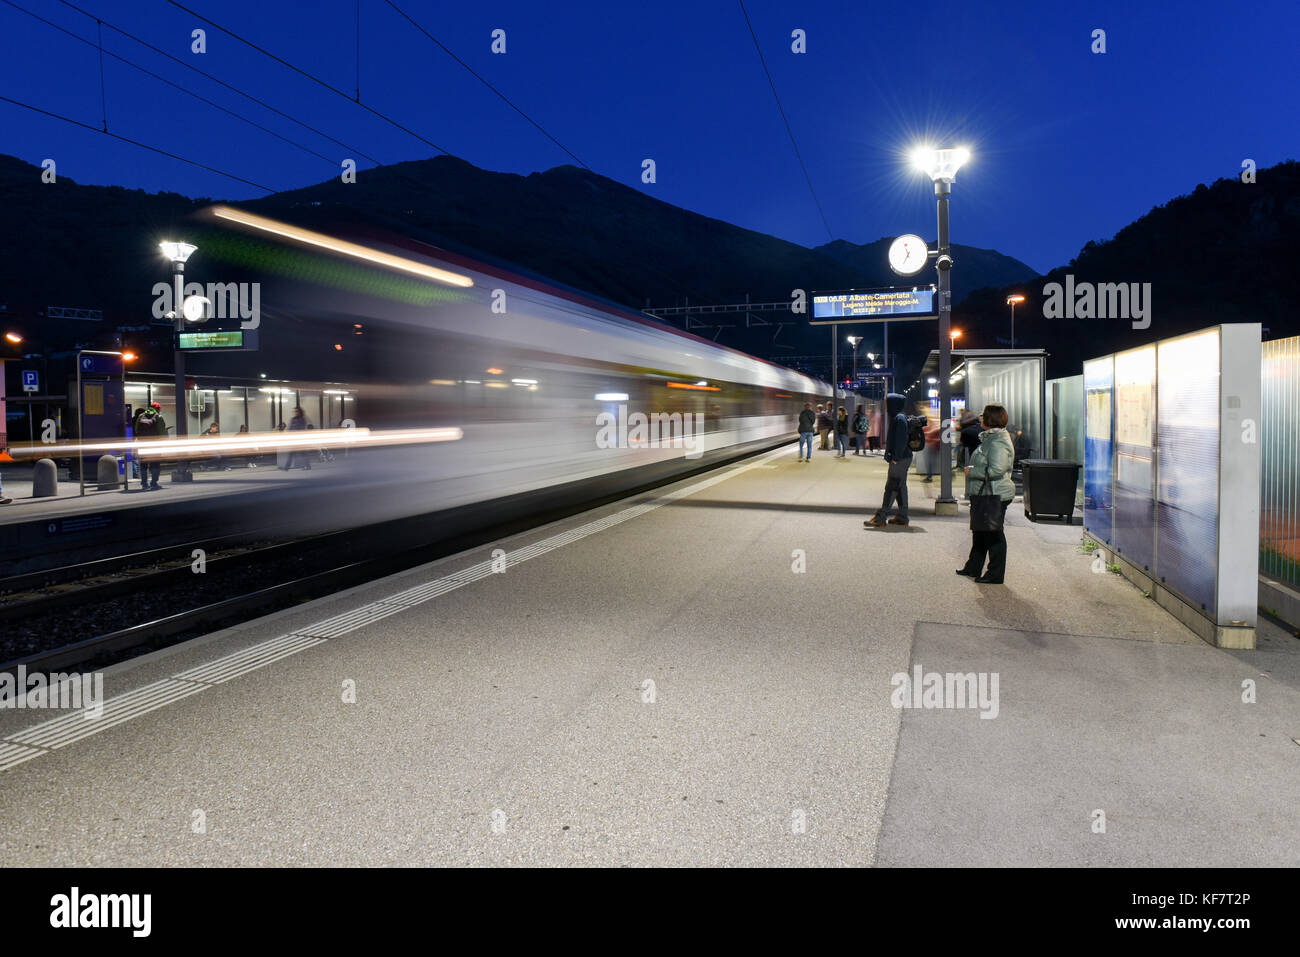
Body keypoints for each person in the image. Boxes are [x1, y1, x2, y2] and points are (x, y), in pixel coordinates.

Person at [956, 404, 1017, 584]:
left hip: (995, 494)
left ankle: (995, 574)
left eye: (983, 416)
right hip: (987, 492)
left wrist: (971, 472)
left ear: (990, 419)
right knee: (981, 532)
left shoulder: (998, 441)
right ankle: (973, 567)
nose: (980, 418)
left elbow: (997, 469)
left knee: (993, 534)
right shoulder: (991, 438)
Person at [865, 392, 913, 527]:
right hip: (903, 458)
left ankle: (881, 517)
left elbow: (901, 440)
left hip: (901, 459)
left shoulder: (900, 418)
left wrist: (896, 457)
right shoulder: (898, 417)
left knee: (891, 487)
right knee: (900, 487)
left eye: (887, 403)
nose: (885, 405)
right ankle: (903, 517)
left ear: (894, 404)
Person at [133, 401, 166, 490]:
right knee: (155, 464)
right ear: (158, 409)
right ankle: (154, 483)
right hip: (155, 445)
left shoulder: (141, 416)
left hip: (143, 444)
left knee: (143, 464)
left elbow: (136, 430)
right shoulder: (159, 417)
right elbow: (162, 432)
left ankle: (144, 483)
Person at [921, 411, 941, 482]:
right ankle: (929, 476)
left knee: (930, 461)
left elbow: (933, 431)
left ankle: (929, 477)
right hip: (932, 444)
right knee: (931, 461)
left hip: (932, 445)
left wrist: (927, 433)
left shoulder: (934, 423)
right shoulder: (933, 422)